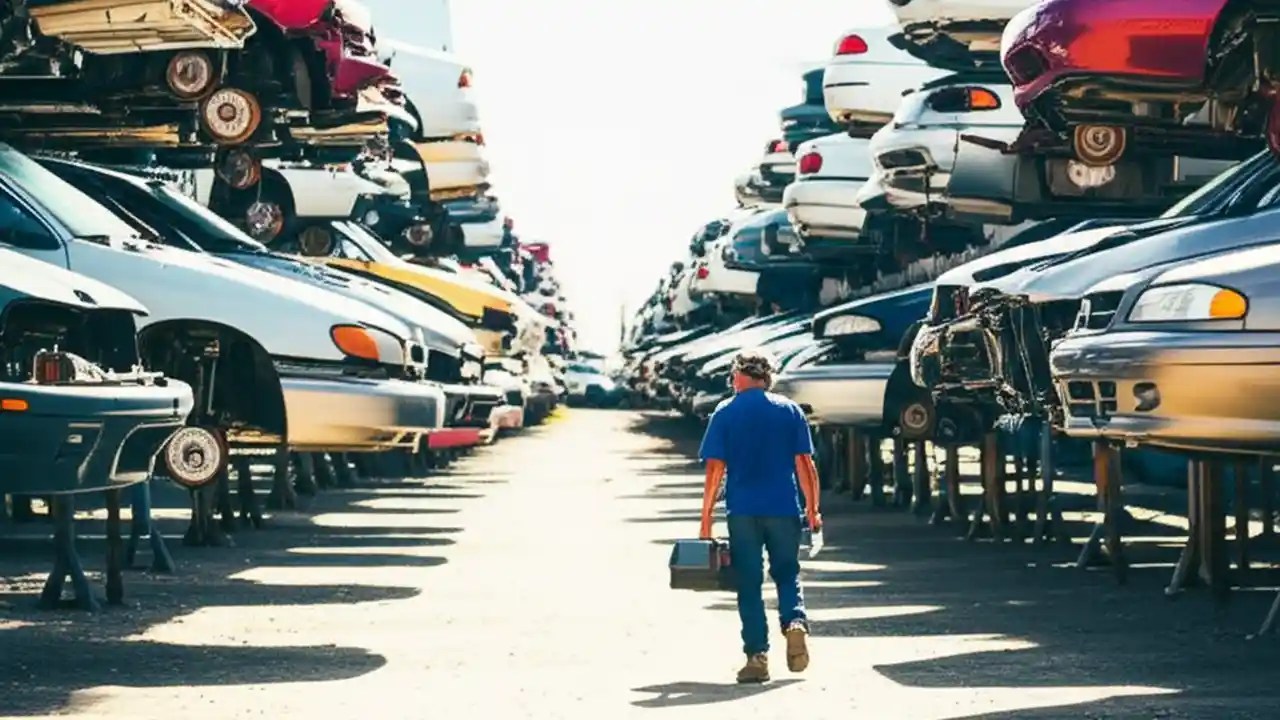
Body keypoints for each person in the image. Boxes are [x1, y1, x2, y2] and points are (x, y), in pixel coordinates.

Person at [697, 348, 822, 684]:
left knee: (748, 583)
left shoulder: (725, 412)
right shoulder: (789, 411)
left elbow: (715, 469)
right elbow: (804, 465)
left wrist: (706, 517)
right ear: (767, 377)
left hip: (743, 512)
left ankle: (757, 657)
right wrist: (813, 509)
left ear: (739, 375)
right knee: (786, 572)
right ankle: (794, 623)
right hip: (784, 508)